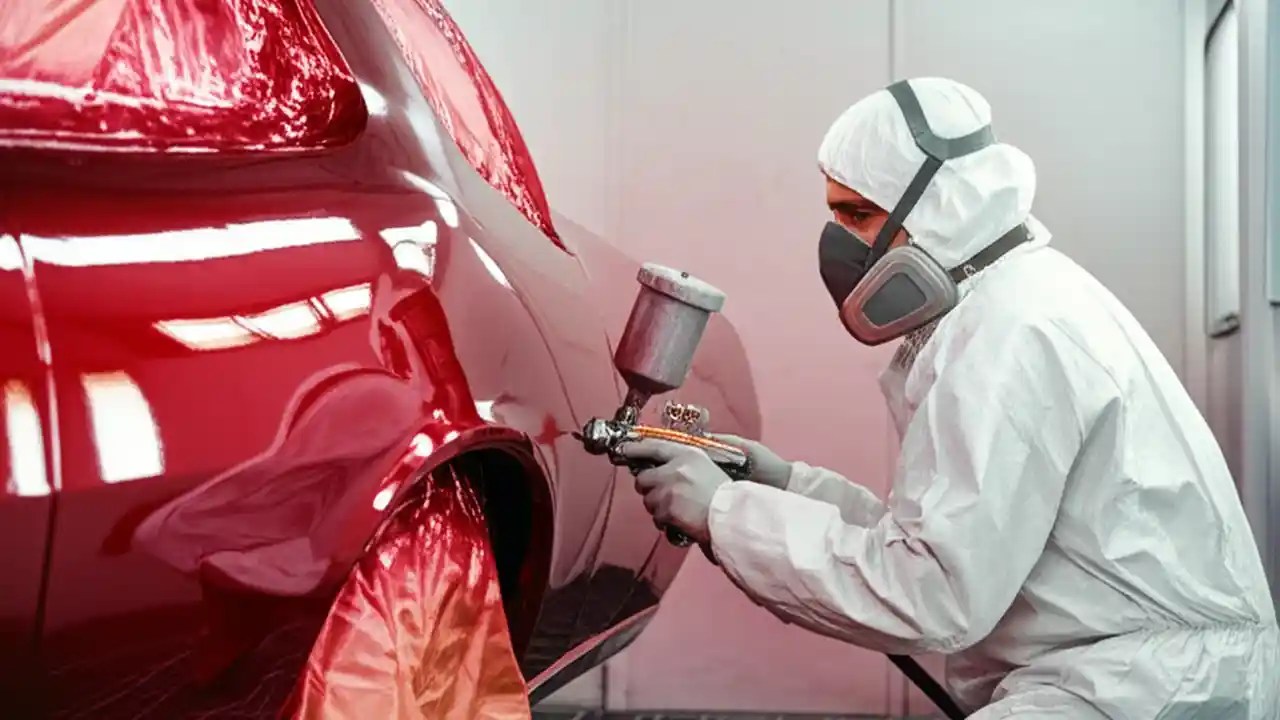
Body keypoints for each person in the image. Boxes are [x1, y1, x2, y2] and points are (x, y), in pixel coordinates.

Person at [618, 77, 1279, 718]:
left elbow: (931, 592)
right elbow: (936, 537)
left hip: (1147, 689)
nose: (839, 245)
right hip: (1113, 672)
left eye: (856, 214)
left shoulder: (1011, 334)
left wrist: (724, 511)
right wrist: (783, 483)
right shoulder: (1007, 304)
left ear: (937, 210)